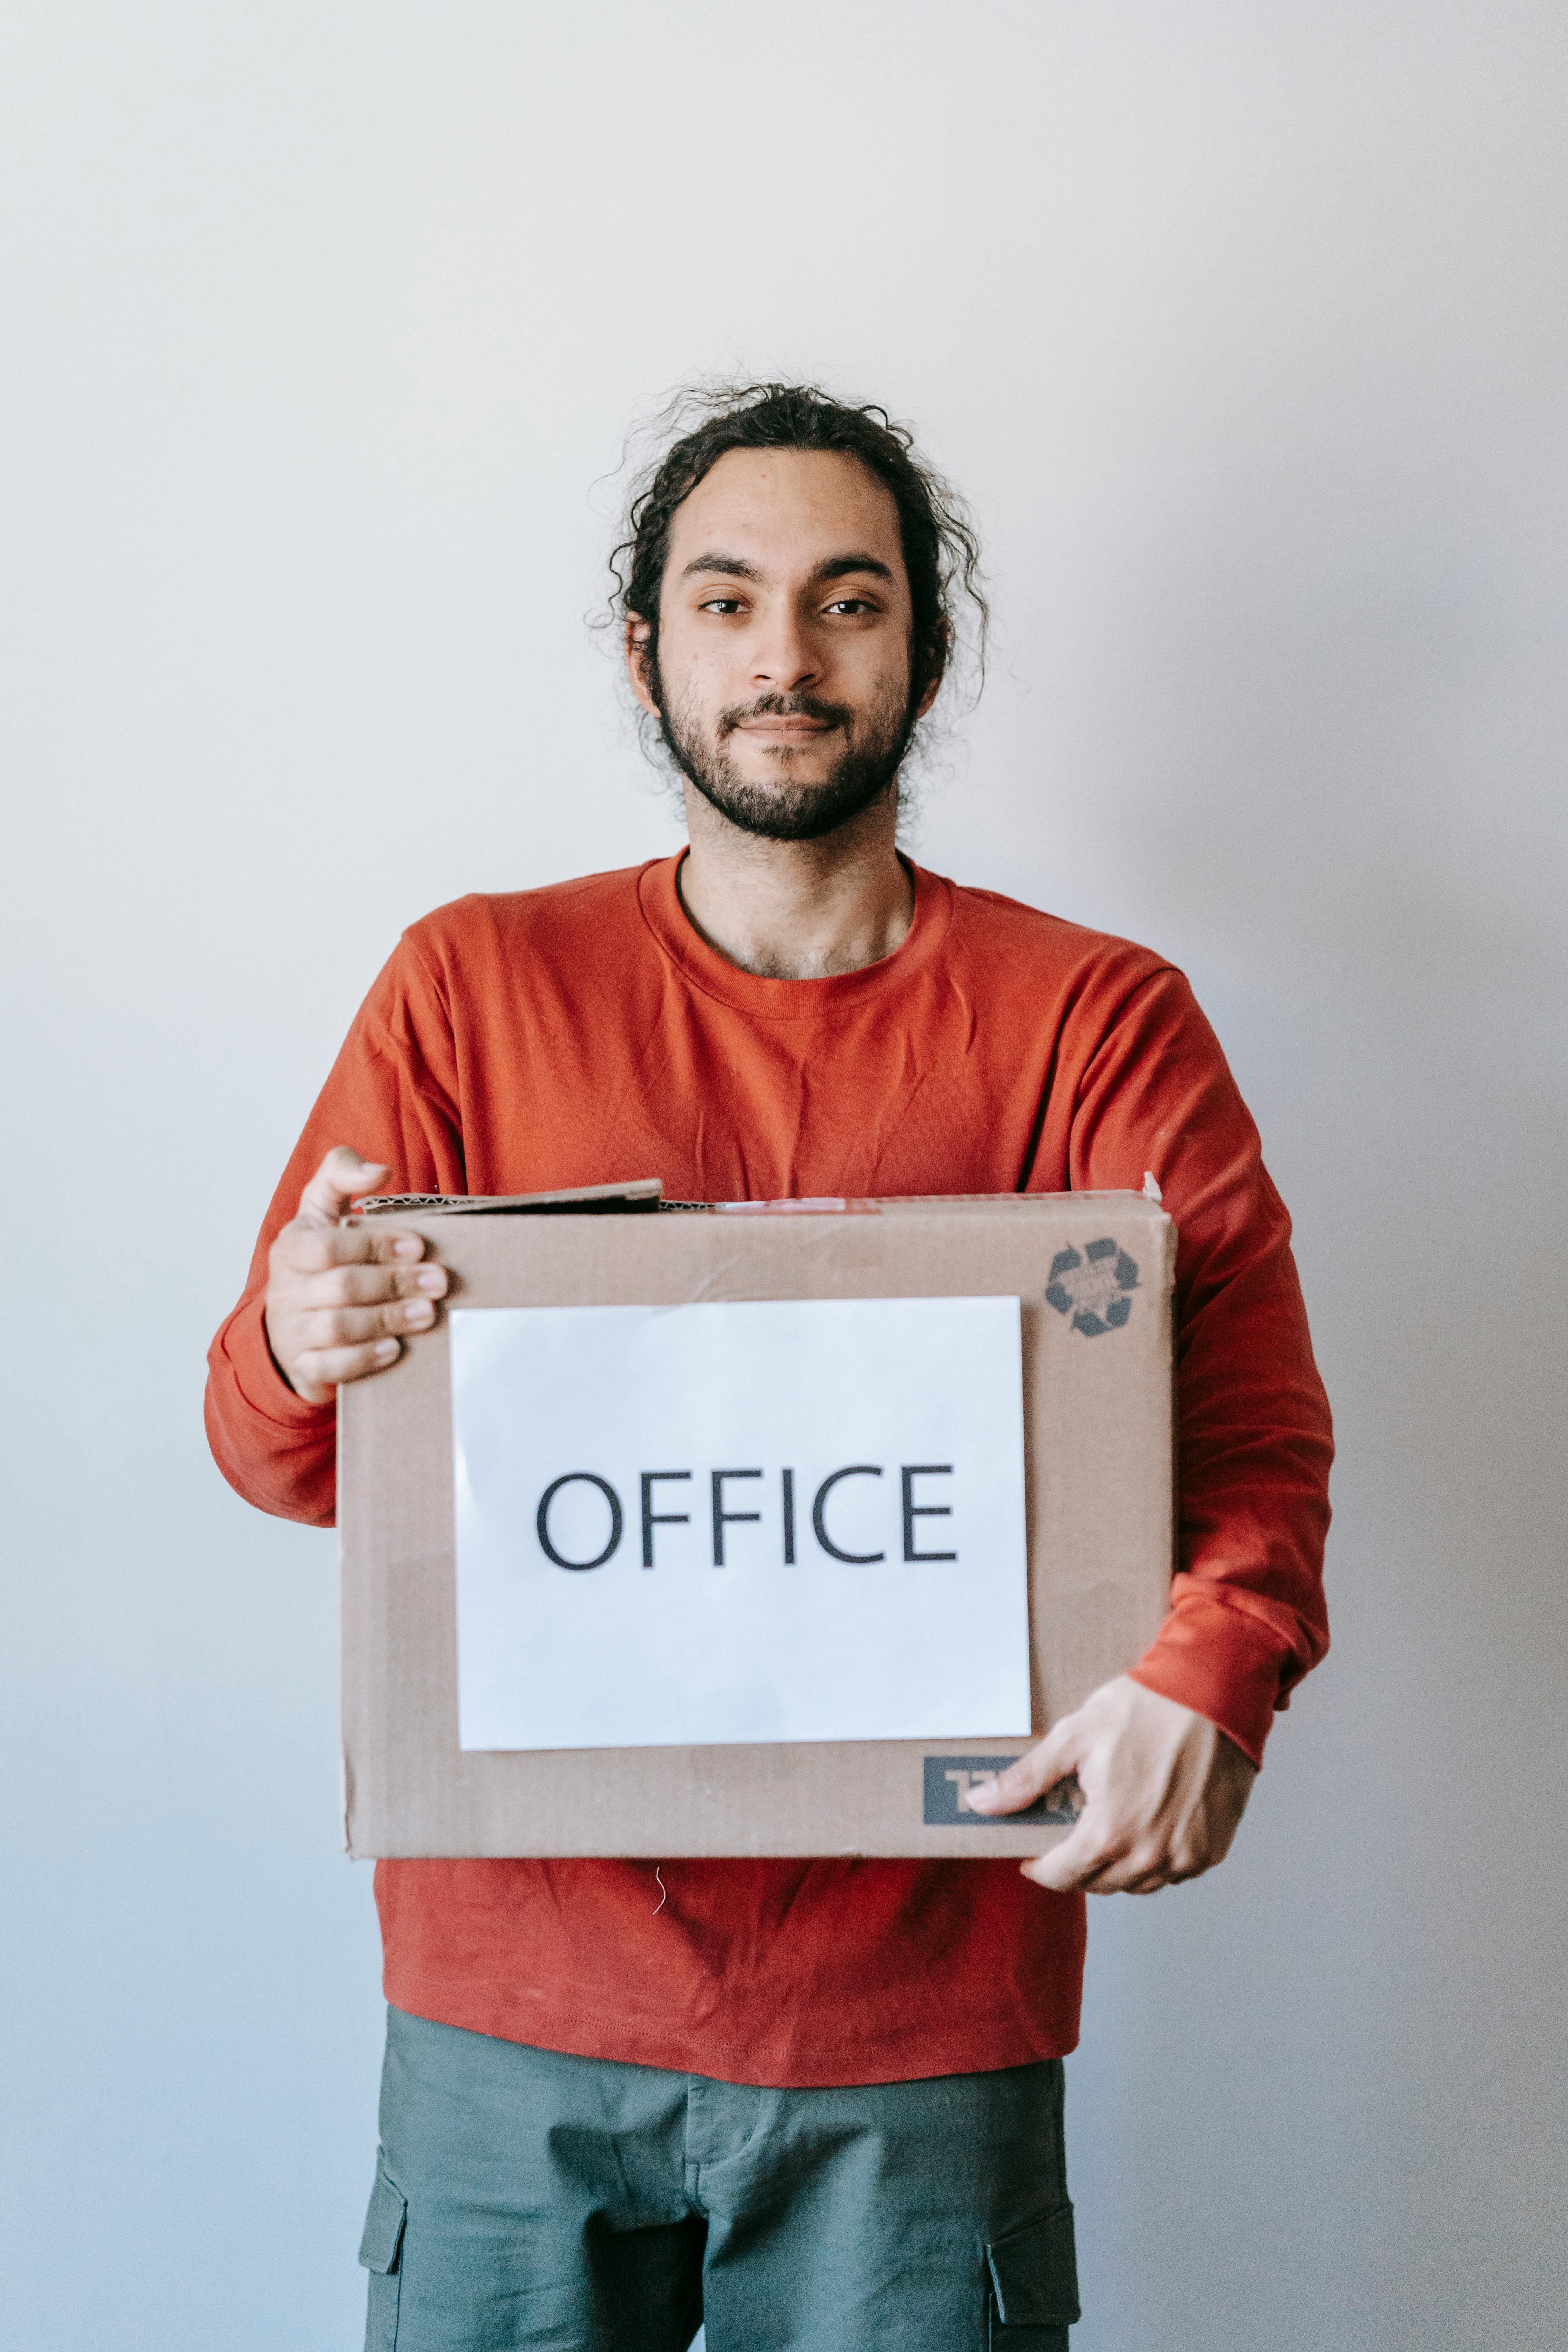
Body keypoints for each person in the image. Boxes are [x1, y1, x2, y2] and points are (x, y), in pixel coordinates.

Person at [206, 382, 1332, 2352]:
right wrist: (303, 1342)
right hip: (512, 2012)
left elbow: (1245, 1434)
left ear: (925, 651)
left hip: (920, 2026)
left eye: (847, 601)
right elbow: (278, 1452)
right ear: (645, 653)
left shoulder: (1096, 1020)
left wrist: (1211, 1673)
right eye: (725, 602)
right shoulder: (468, 987)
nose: (784, 657)